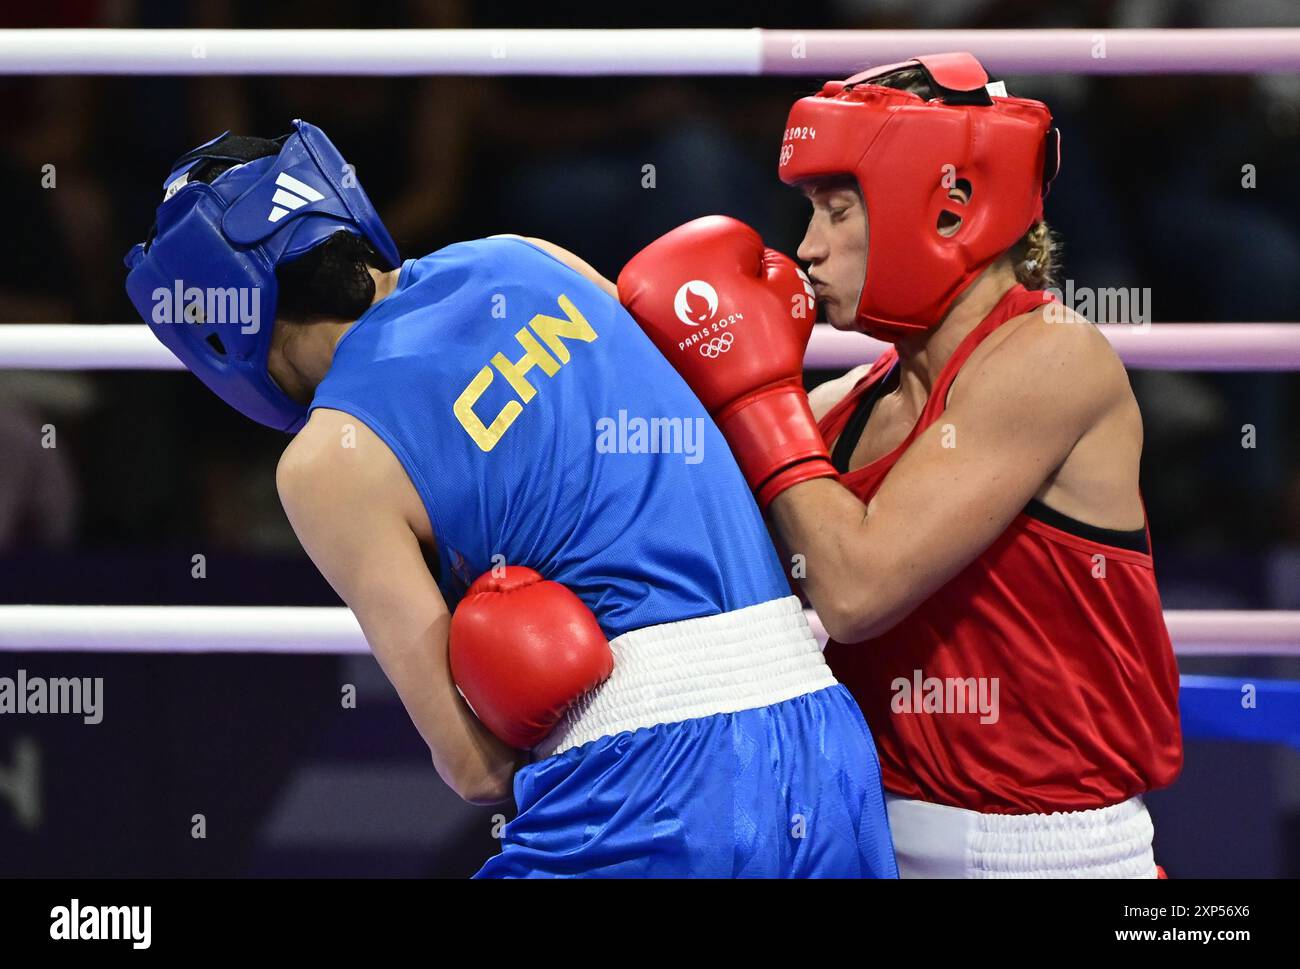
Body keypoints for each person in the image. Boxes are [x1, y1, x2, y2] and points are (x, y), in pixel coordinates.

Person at [123, 120, 897, 878]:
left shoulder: (328, 459)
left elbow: (474, 767)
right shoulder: (528, 257)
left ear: (216, 322)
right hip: (823, 746)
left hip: (640, 786)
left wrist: (515, 677)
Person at [617, 53, 1182, 878]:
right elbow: (666, 532)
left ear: (950, 206)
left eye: (837, 211)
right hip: (865, 840)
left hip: (1053, 856)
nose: (806, 249)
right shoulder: (845, 404)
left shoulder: (1055, 357)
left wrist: (754, 395)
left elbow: (855, 589)